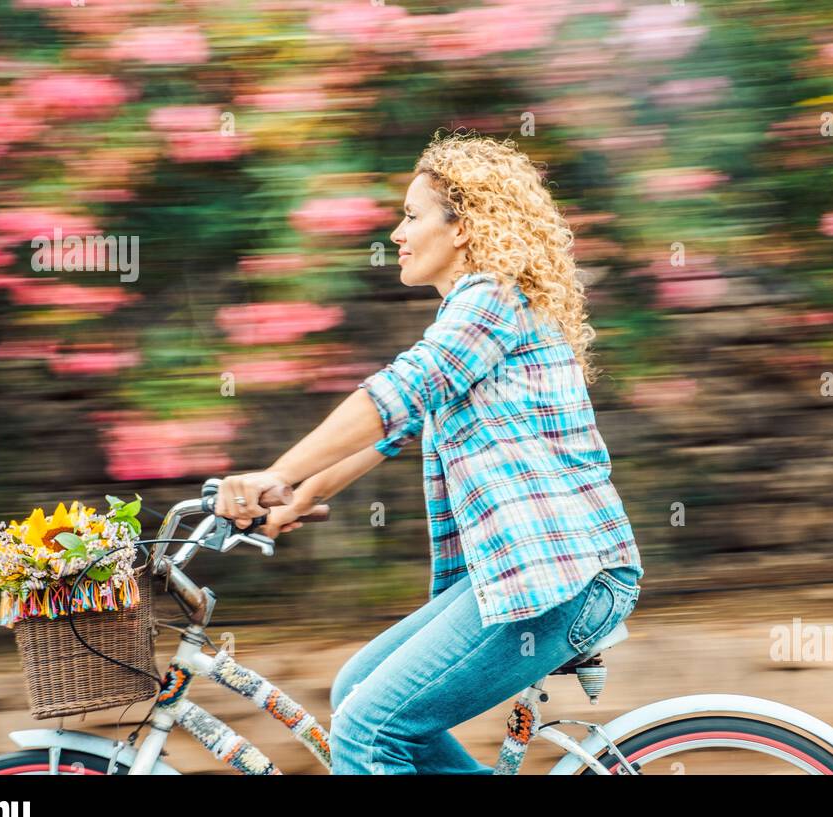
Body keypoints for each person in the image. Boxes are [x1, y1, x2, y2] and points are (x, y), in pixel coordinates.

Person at [213, 130, 643, 774]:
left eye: (412, 216)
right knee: (355, 695)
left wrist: (275, 471)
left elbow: (402, 390)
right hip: (532, 577)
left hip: (561, 579)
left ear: (464, 227)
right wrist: (297, 494)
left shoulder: (492, 301)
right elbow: (396, 427)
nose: (396, 234)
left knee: (368, 728)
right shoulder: (478, 314)